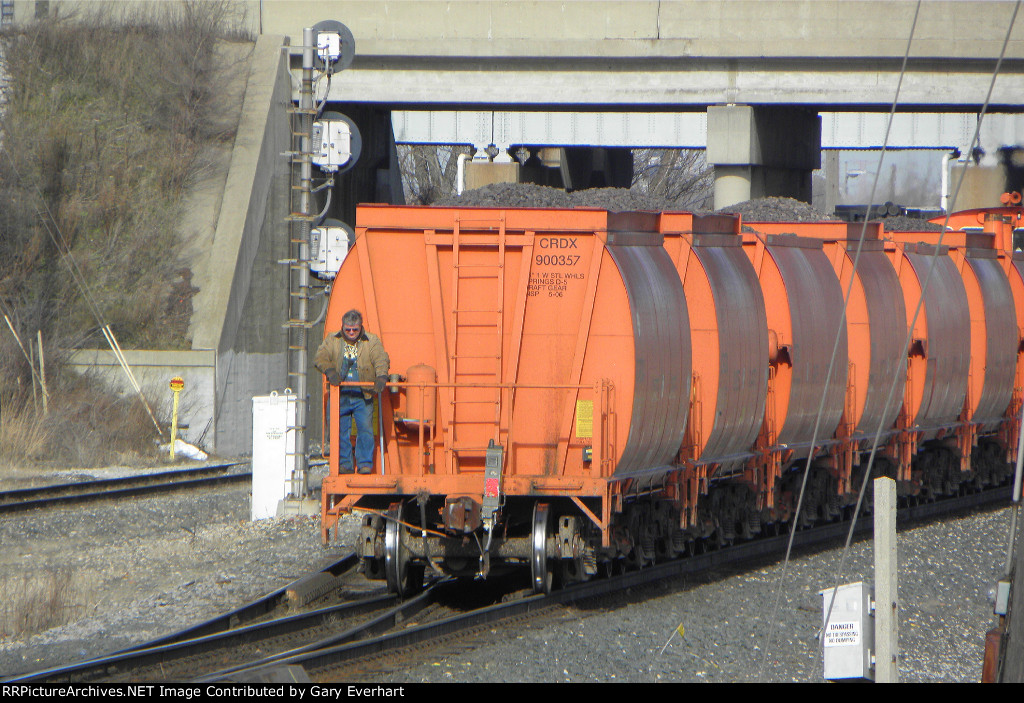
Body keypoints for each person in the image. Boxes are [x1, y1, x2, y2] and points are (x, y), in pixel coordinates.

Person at [314, 309, 390, 474]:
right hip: (339, 394)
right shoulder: (332, 340)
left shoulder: (371, 341)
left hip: (363, 394)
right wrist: (330, 371)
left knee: (366, 429)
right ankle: (345, 464)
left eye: (354, 330)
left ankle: (364, 464)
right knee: (339, 430)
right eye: (347, 329)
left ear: (360, 327)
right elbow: (320, 357)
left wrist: (382, 376)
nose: (351, 333)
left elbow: (381, 358)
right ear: (342, 327)